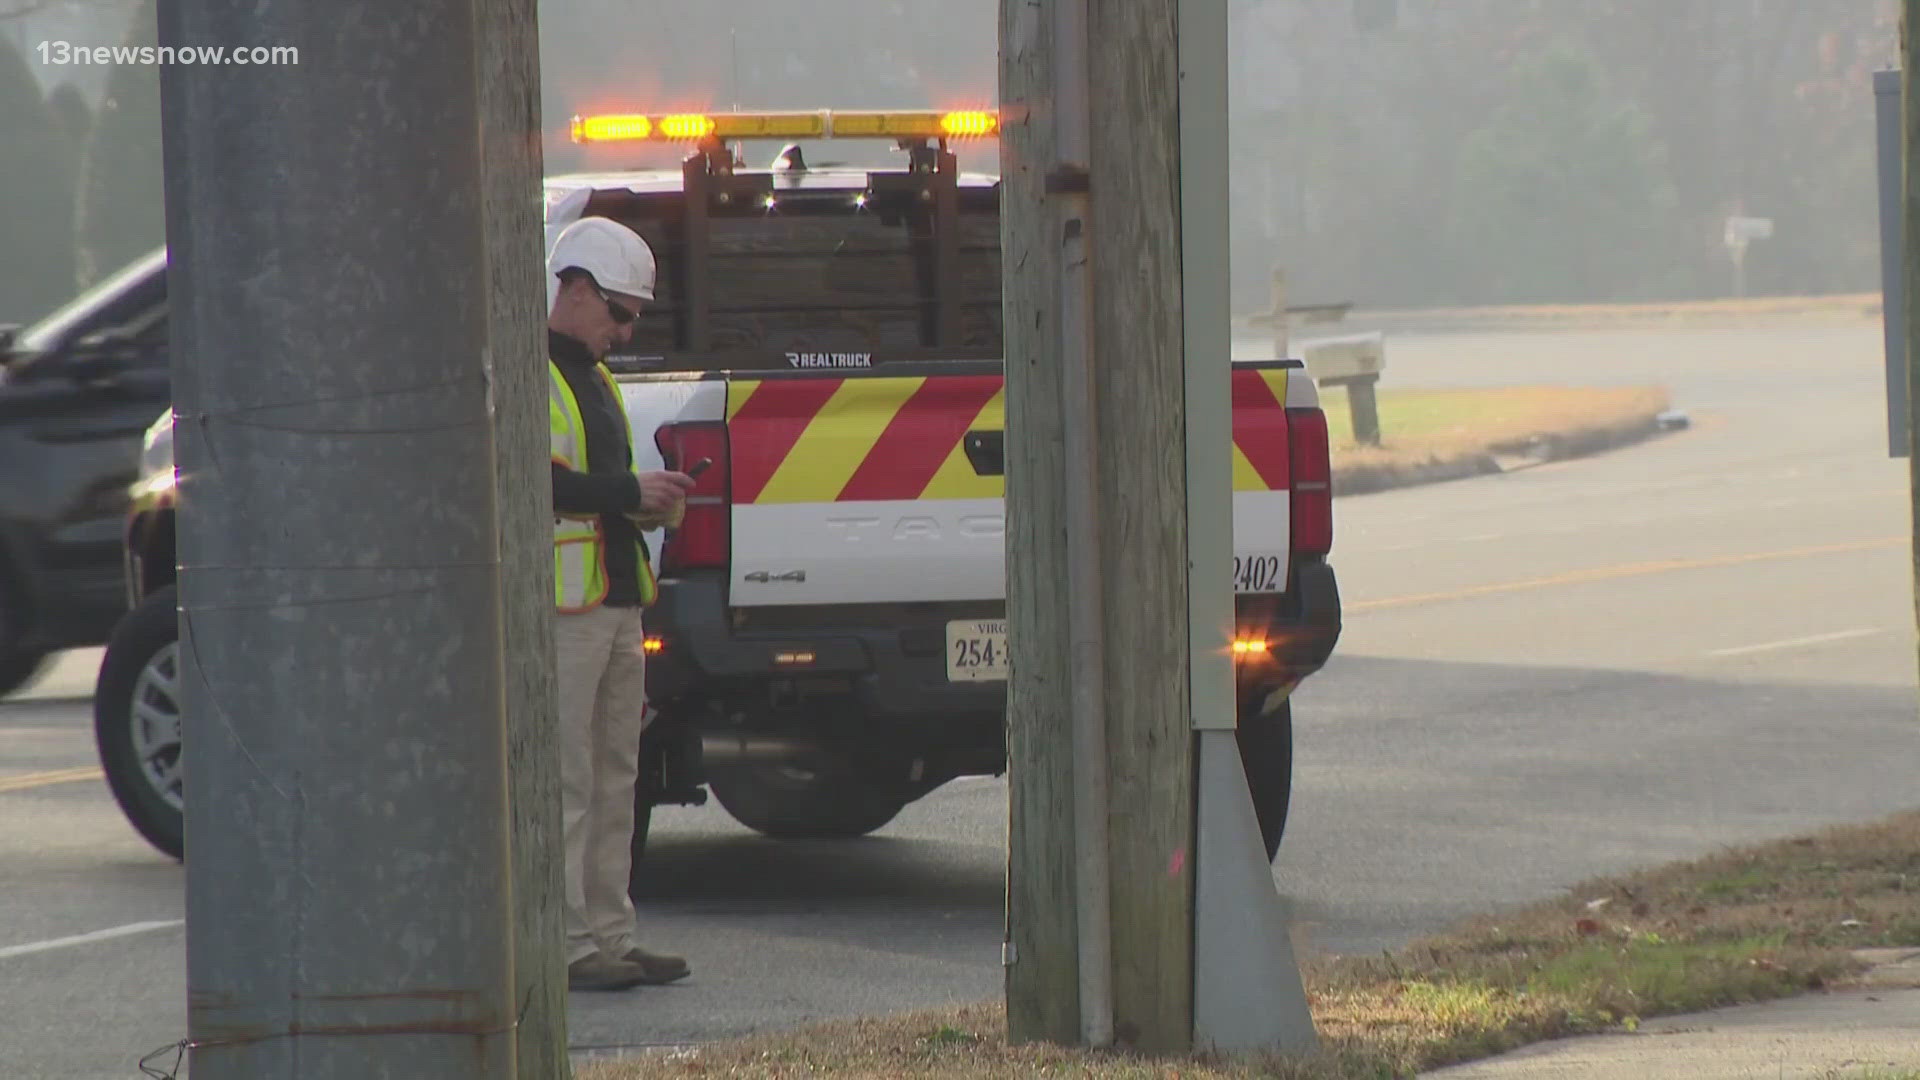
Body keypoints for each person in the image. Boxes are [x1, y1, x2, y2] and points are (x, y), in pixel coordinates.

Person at [545, 215, 697, 993]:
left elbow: (599, 490)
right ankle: (571, 945)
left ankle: (610, 935)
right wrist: (630, 493)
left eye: (635, 316)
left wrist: (648, 504)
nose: (627, 331)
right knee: (570, 780)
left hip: (614, 599)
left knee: (616, 776)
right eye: (620, 313)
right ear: (573, 289)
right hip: (565, 613)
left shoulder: (595, 376)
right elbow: (535, 481)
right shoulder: (533, 371)